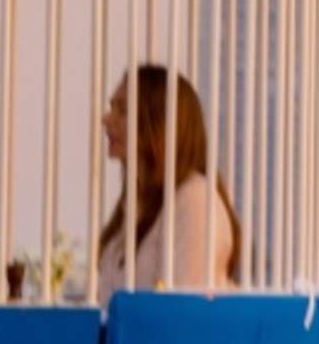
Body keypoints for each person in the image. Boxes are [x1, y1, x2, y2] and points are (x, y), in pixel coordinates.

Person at [96, 64, 240, 294]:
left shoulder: (194, 200)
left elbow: (184, 309)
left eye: (122, 110)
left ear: (160, 122)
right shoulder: (135, 204)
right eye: (111, 108)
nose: (106, 119)